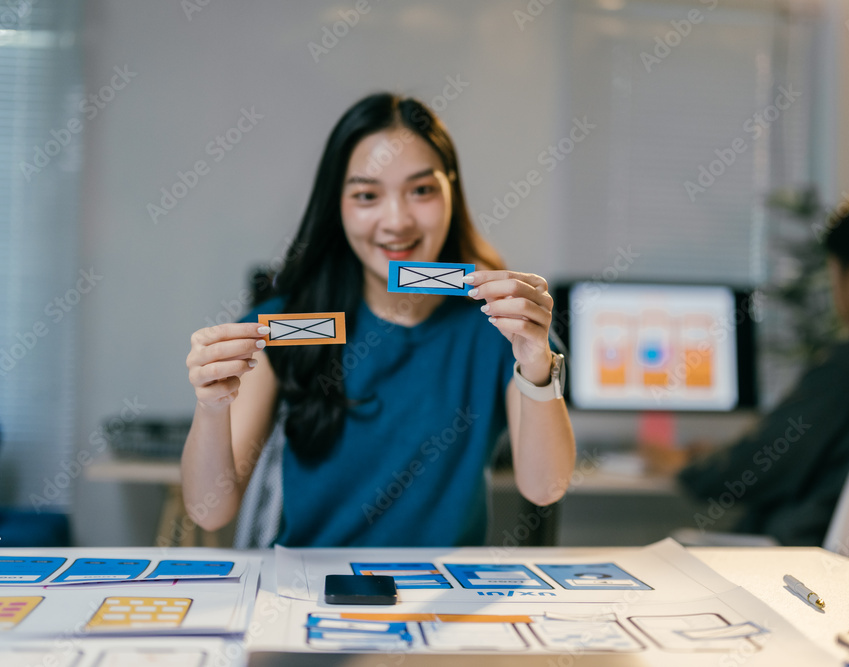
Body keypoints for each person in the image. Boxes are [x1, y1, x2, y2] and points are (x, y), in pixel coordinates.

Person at [181, 93, 576, 546]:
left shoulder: (504, 329)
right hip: (305, 595)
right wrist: (212, 407)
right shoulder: (286, 324)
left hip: (441, 597)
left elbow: (545, 488)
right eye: (367, 195)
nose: (397, 221)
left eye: (422, 190)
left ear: (452, 192)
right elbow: (209, 512)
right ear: (337, 206)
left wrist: (536, 362)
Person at [657, 194, 849, 546]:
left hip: (801, 558)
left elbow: (759, 464)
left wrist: (686, 468)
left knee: (666, 554)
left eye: (834, 277)